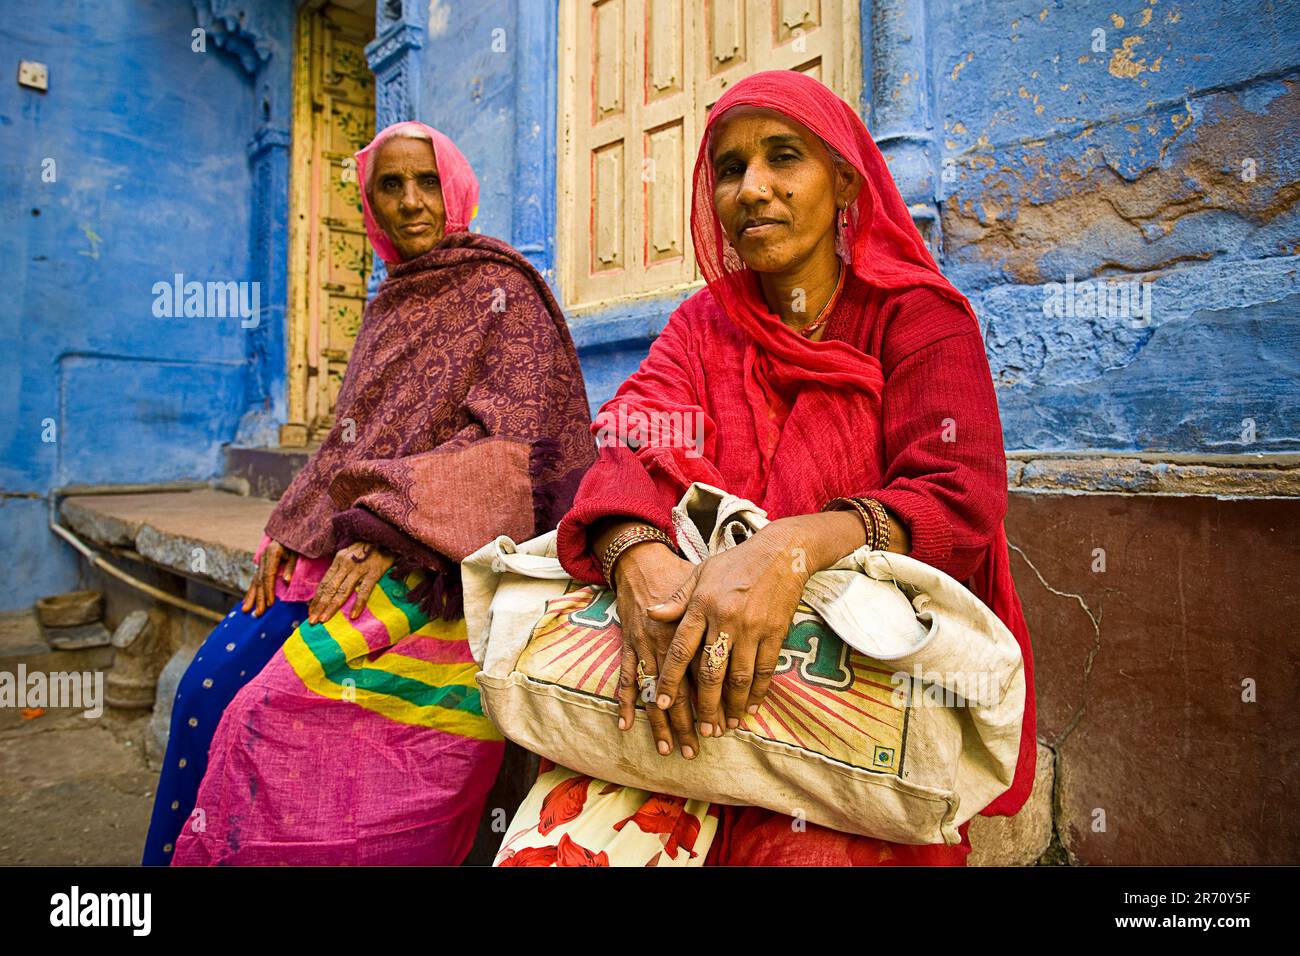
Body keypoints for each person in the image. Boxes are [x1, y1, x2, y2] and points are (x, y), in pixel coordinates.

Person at [494, 70, 1036, 867]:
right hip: (680, 683)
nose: (753, 189)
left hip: (846, 700)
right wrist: (633, 555)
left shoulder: (917, 318)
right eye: (730, 168)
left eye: (784, 158)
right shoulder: (703, 324)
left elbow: (958, 492)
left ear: (844, 178)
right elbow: (634, 432)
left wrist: (794, 549)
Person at [142, 121, 595, 865]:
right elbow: (350, 438)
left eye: (427, 183)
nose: (412, 202)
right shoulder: (388, 302)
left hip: (441, 559)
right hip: (350, 540)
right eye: (392, 185)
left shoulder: (502, 289)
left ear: (456, 189)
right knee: (204, 688)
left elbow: (518, 450)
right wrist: (295, 523)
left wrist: (393, 524)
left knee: (269, 713)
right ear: (370, 202)